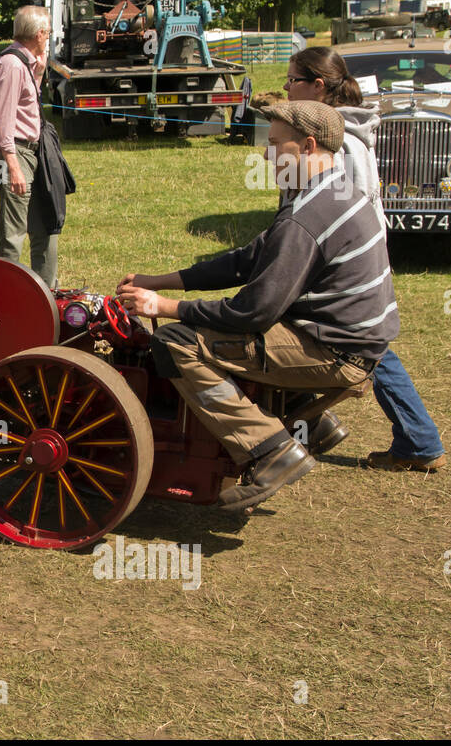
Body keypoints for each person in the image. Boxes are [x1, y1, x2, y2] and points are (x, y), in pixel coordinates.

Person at [117, 101, 398, 511]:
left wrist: (165, 306)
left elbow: (252, 313)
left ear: (307, 146)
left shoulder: (306, 217)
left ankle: (271, 449)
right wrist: (159, 281)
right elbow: (249, 259)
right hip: (356, 338)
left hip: (337, 351)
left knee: (176, 342)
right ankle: (309, 421)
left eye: (276, 143)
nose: (267, 154)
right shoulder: (337, 190)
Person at [285, 45, 446, 471]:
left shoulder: (343, 142)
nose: (286, 88)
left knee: (356, 347)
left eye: (293, 81)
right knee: (354, 344)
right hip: (346, 261)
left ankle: (417, 441)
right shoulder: (344, 131)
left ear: (317, 86)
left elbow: (340, 215)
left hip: (342, 264)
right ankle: (312, 426)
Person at [0, 5, 58, 288]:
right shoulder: (12, 64)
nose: (49, 37)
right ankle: (4, 292)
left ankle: (44, 293)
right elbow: (2, 120)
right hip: (14, 153)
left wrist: (39, 75)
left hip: (30, 151)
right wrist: (12, 165)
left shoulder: (26, 63)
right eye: (49, 32)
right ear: (40, 34)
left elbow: (26, 107)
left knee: (45, 223)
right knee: (13, 229)